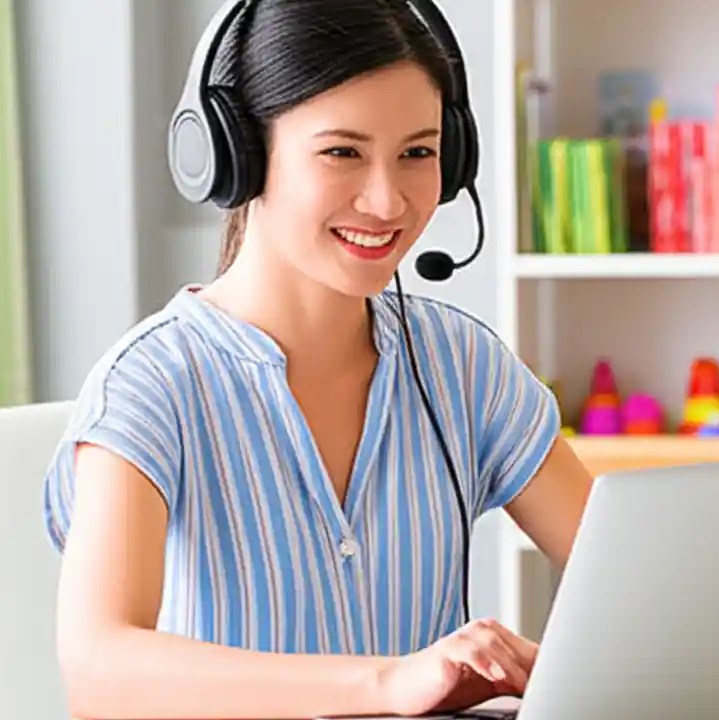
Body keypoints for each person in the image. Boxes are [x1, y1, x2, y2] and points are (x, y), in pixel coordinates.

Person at [41, 0, 594, 718]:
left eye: (418, 153)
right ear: (238, 153)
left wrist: (549, 671)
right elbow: (99, 673)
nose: (387, 198)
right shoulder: (152, 386)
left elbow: (634, 591)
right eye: (342, 152)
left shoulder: (462, 367)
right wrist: (388, 683)